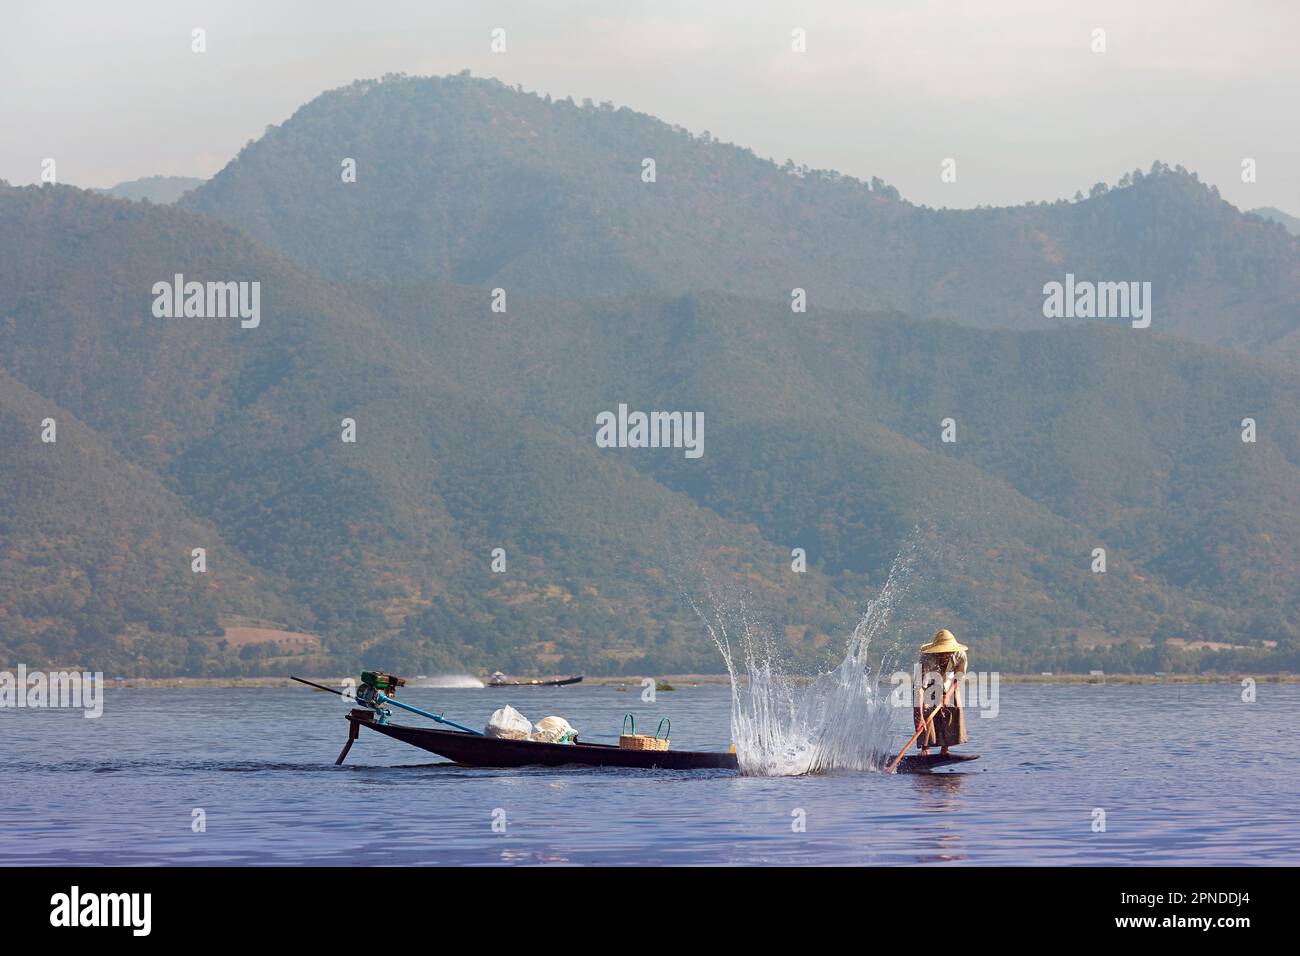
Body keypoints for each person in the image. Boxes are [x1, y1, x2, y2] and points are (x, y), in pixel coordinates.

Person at [914, 629, 969, 756]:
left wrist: (947, 695)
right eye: (941, 653)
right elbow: (920, 689)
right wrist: (920, 717)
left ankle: (945, 749)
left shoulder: (960, 655)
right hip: (926, 683)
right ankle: (925, 748)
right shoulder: (926, 659)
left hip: (949, 681)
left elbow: (958, 678)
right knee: (926, 711)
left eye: (947, 653)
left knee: (952, 709)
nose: (944, 656)